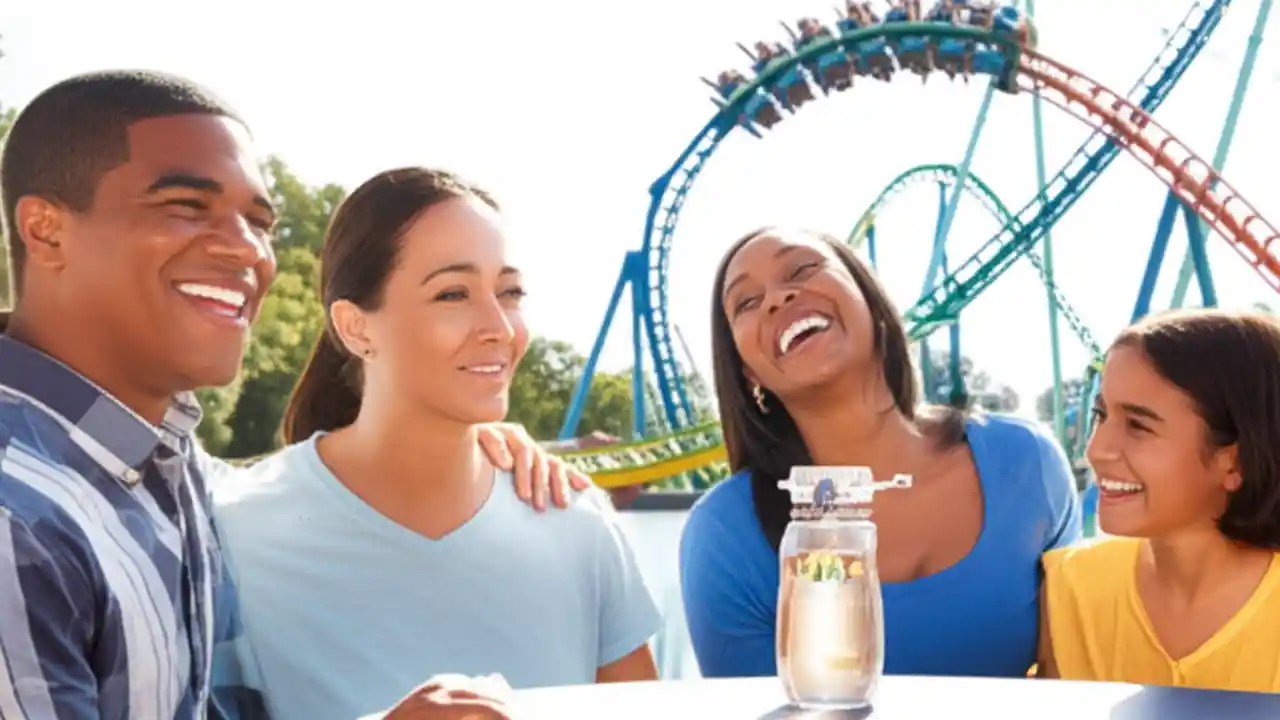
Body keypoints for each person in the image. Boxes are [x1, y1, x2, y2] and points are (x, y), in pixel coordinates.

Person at [0, 70, 586, 720]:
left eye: (259, 221)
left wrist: (465, 441)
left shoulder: (163, 463)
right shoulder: (18, 521)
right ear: (47, 230)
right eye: (185, 206)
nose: (247, 249)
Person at [211, 166, 662, 720]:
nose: (498, 325)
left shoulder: (578, 521)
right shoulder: (234, 528)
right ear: (355, 328)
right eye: (453, 293)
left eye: (510, 291)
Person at [679, 227, 1080, 679]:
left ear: (869, 298)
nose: (776, 298)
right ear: (747, 372)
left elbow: (1068, 674)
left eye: (803, 268)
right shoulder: (726, 534)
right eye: (746, 303)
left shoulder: (1027, 463)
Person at [1039, 310, 1280, 692]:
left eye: (1138, 425)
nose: (1096, 450)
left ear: (1235, 460)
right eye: (1101, 416)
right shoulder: (1071, 587)